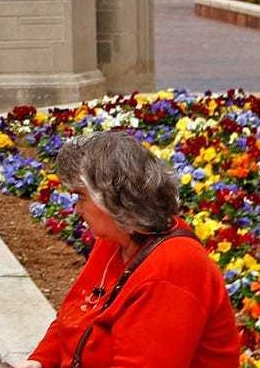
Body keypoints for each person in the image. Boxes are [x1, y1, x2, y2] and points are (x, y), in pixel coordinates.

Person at [13, 130, 242, 368]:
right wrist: (40, 361)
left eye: (81, 197)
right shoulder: (115, 240)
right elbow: (73, 315)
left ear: (114, 199)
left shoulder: (173, 268)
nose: (77, 210)